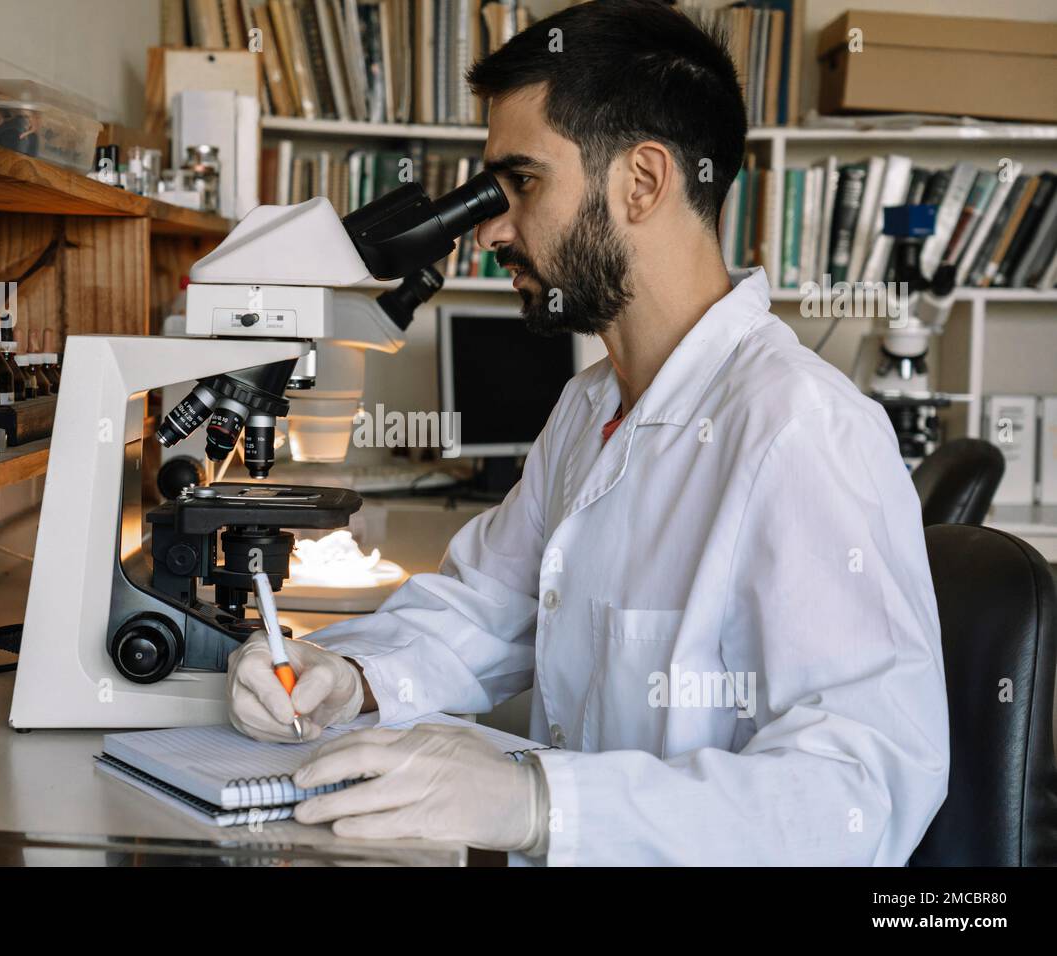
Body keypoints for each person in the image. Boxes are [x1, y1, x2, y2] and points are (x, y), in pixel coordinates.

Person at [225, 0, 950, 865]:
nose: (490, 229)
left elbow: (858, 797)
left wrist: (542, 803)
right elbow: (490, 609)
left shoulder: (804, 432)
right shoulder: (589, 406)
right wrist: (346, 675)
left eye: (521, 183)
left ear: (641, 181)